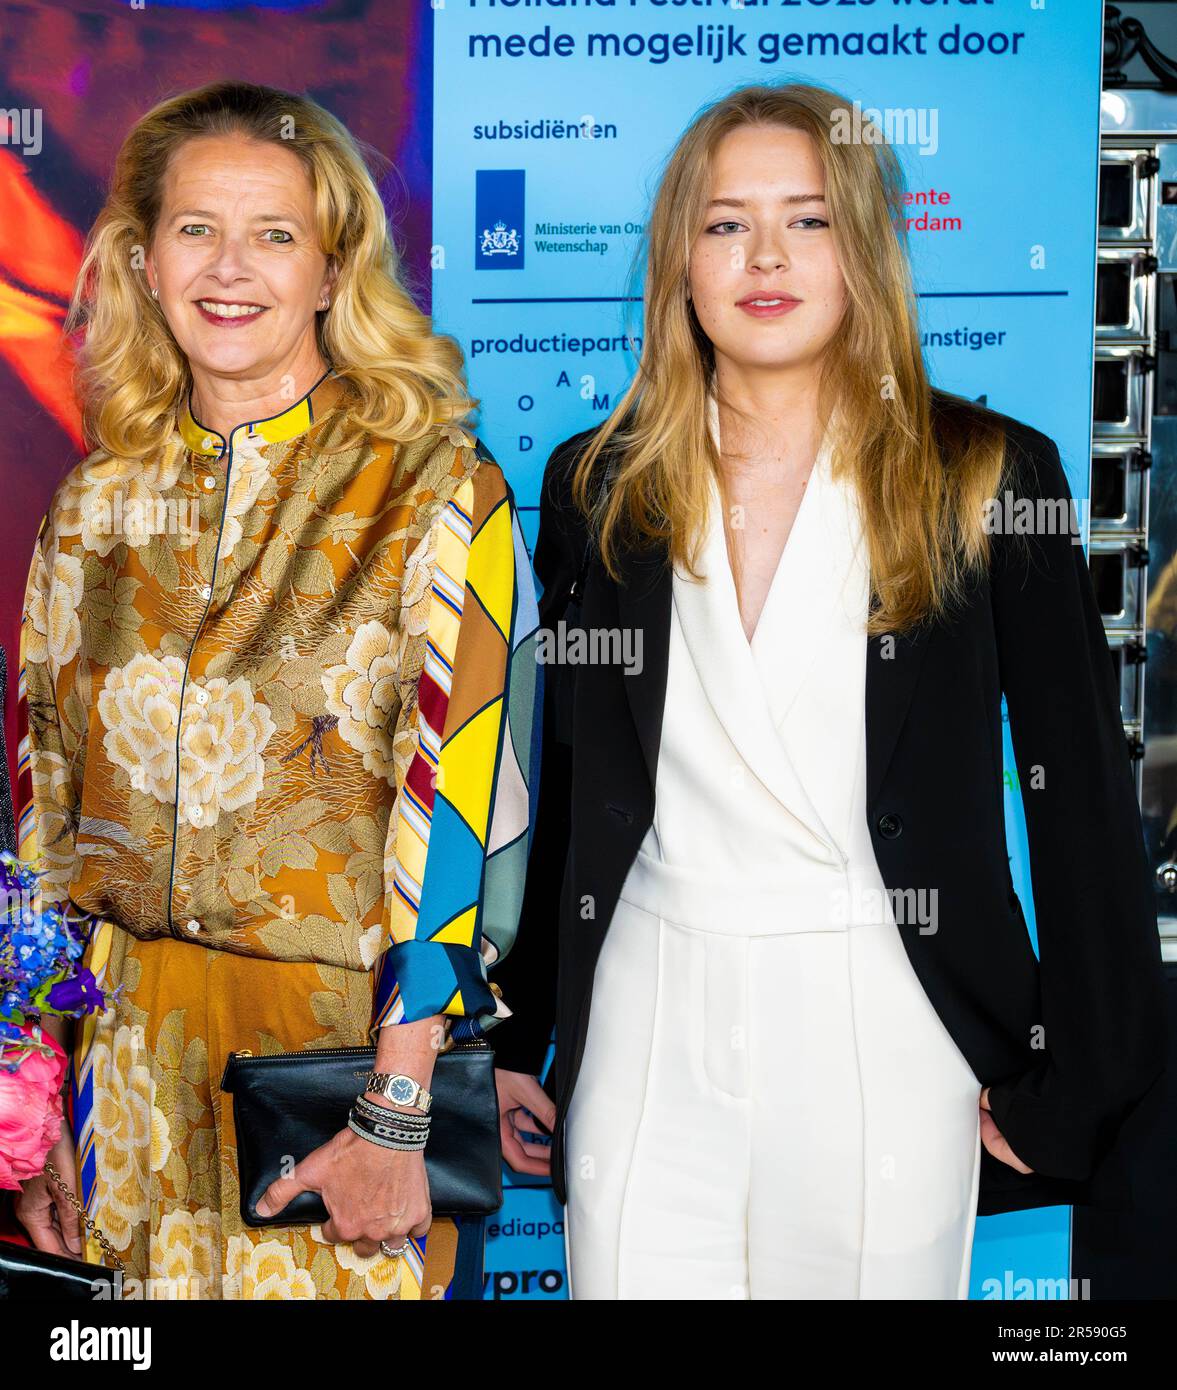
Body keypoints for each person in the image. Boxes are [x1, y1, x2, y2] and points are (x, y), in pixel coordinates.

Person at [491, 81, 1168, 1300]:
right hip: (646, 1008)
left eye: (805, 220)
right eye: (723, 223)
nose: (764, 256)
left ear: (862, 247)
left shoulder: (989, 472)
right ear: (677, 263)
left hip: (883, 1010)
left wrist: (1086, 1079)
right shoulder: (595, 484)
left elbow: (1076, 801)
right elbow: (572, 787)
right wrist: (518, 1034)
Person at [14, 79, 541, 1300]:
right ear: (144, 262)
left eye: (275, 233)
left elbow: (452, 835)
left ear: (331, 267)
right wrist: (39, 1105)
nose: (229, 268)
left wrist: (399, 1116)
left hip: (334, 1079)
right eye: (196, 228)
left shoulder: (436, 494)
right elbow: (43, 827)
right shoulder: (90, 509)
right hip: (124, 1075)